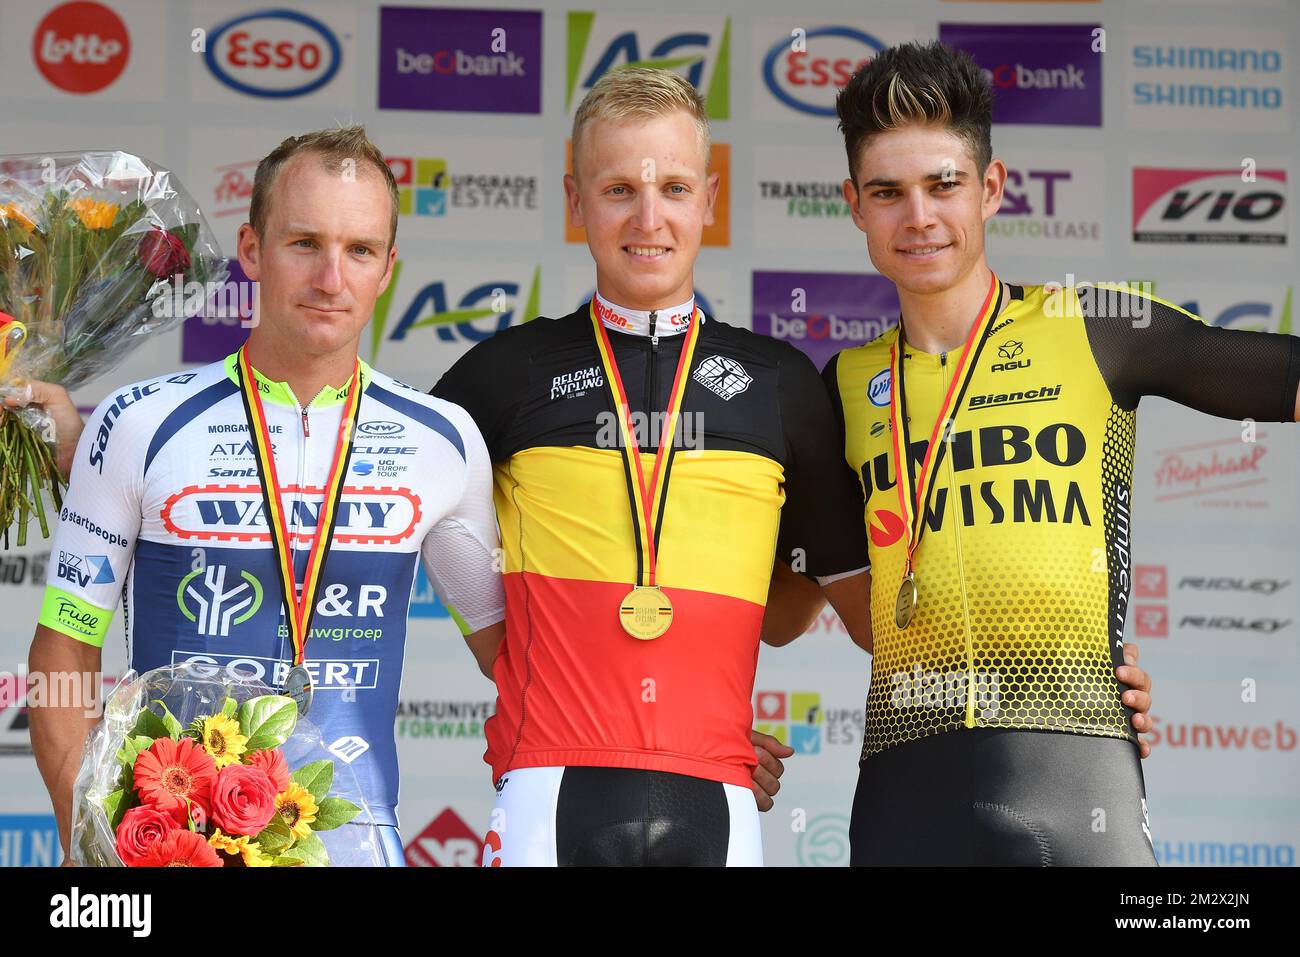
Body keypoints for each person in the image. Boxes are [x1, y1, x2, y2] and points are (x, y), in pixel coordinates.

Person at [428, 68, 1153, 867]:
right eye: (617, 190)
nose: (648, 217)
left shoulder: (783, 385)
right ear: (575, 201)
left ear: (710, 198)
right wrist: (532, 673)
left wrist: (1075, 676)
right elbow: (400, 506)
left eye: (673, 187)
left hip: (717, 793)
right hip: (546, 787)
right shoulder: (508, 371)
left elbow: (875, 621)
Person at [816, 41, 1300, 865]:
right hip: (904, 791)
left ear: (992, 187)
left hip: (1076, 780)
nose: (920, 216)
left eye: (944, 185)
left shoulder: (1099, 329)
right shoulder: (844, 384)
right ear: (854, 205)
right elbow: (869, 618)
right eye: (888, 192)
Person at [22, 127, 506, 867]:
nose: (331, 278)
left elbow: (521, 663)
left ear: (388, 268)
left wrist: (706, 731)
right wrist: (95, 849)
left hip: (358, 847)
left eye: (360, 250)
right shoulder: (138, 422)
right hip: (170, 852)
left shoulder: (442, 441)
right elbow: (62, 654)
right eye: (304, 243)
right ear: (251, 250)